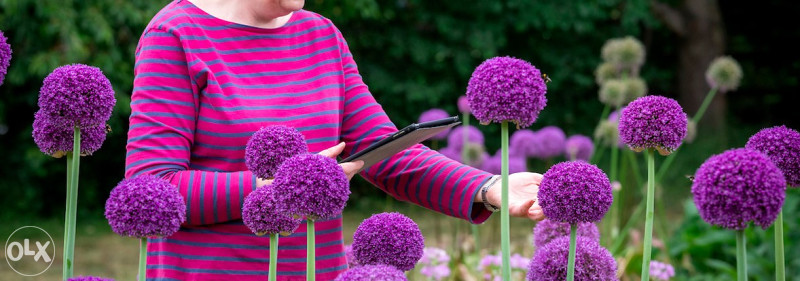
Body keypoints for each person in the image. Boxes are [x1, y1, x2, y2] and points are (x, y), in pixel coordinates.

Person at [126, 0, 545, 280]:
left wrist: (488, 187)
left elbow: (385, 153)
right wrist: (279, 189)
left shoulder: (320, 34)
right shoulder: (176, 34)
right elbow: (152, 187)